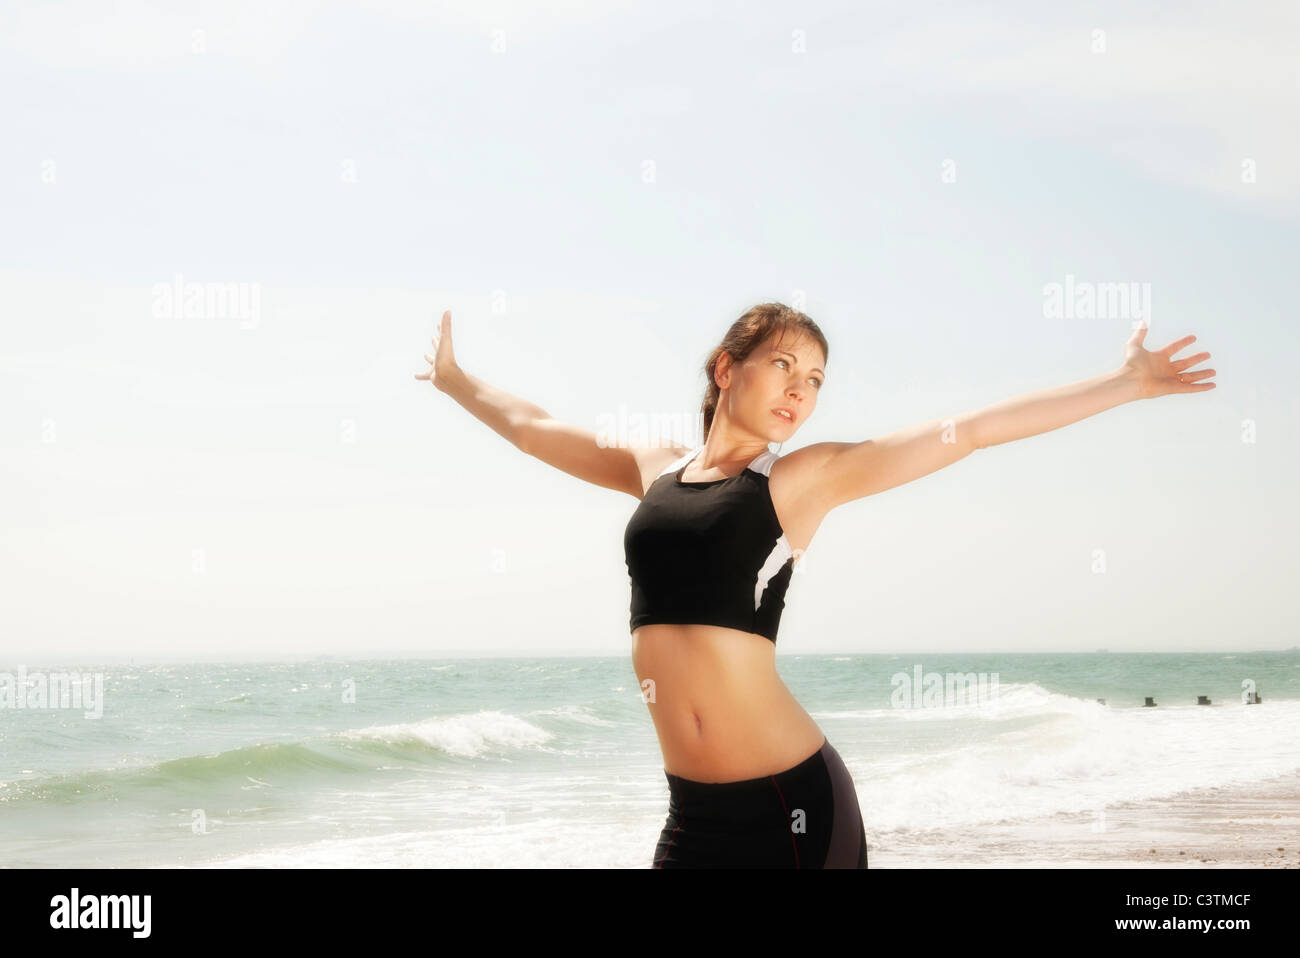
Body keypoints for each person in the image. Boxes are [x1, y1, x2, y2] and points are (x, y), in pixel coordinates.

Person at [415, 302, 1215, 868]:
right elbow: (531, 428)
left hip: (789, 808)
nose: (801, 389)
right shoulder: (651, 468)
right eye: (784, 365)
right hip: (692, 814)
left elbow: (968, 432)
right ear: (726, 368)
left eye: (817, 379)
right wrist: (453, 378)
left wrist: (1125, 383)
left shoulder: (800, 481)